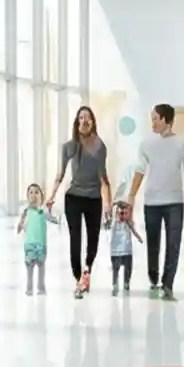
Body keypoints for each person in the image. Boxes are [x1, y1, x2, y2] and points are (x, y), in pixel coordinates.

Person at [127, 104, 184, 301]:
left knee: (174, 243)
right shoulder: (146, 143)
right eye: (151, 118)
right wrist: (131, 197)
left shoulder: (183, 143)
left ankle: (168, 283)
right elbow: (139, 171)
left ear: (165, 120)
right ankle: (153, 277)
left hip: (174, 202)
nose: (152, 122)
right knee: (153, 244)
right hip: (151, 201)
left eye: (155, 119)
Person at [48, 105, 112, 299]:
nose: (84, 121)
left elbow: (104, 178)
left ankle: (87, 270)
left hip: (94, 199)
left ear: (93, 122)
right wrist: (52, 196)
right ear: (76, 122)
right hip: (73, 198)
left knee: (93, 240)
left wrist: (108, 204)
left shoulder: (100, 147)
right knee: (75, 239)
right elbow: (60, 174)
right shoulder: (69, 146)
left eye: (88, 118)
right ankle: (78, 279)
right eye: (81, 118)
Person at [16, 184, 59, 296]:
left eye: (36, 192)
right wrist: (20, 226)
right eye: (31, 192)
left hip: (41, 245)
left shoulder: (42, 212)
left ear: (41, 197)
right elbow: (20, 225)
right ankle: (29, 288)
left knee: (41, 266)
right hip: (29, 245)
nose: (34, 195)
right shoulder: (26, 212)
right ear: (27, 197)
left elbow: (54, 220)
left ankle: (41, 287)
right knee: (29, 268)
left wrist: (51, 212)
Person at [107, 200, 143, 297]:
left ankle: (126, 283)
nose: (123, 216)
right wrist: (113, 205)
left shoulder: (128, 223)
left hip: (127, 250)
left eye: (125, 213)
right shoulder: (114, 223)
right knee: (116, 269)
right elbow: (108, 218)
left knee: (128, 269)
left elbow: (134, 231)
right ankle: (115, 284)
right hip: (115, 251)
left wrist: (139, 238)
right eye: (121, 213)